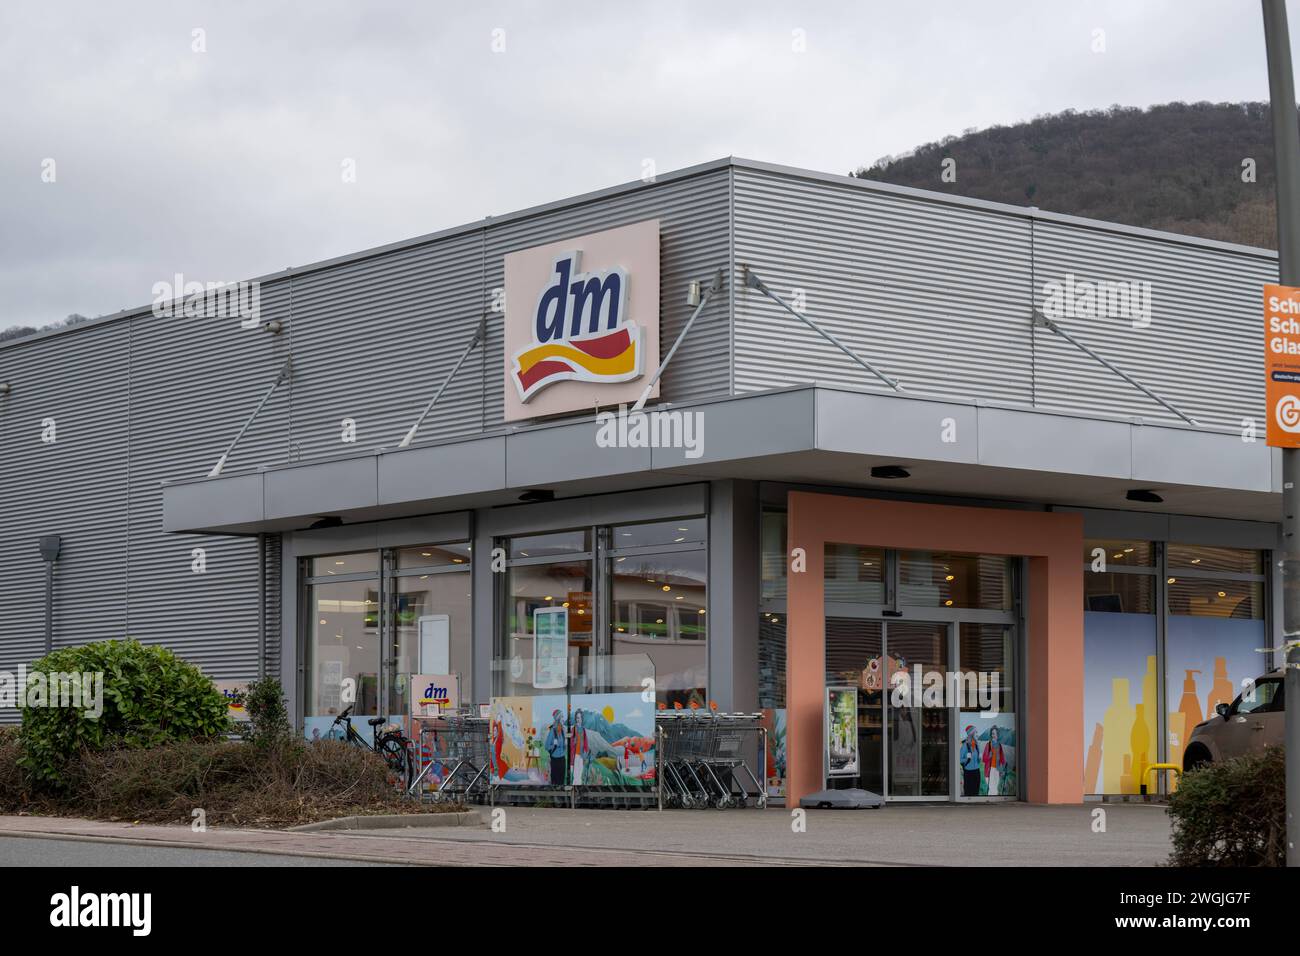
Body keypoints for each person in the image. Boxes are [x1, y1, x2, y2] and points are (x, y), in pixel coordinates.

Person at [982, 725, 1007, 796]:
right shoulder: (988, 745)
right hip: (989, 770)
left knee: (995, 788)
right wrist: (989, 756)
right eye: (992, 733)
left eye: (995, 734)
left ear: (998, 735)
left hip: (997, 770)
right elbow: (984, 759)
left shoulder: (999, 746)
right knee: (992, 789)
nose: (994, 735)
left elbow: (1002, 759)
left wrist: (1003, 770)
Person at [544, 708, 567, 787]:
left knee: (561, 782)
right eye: (562, 717)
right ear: (558, 718)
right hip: (555, 760)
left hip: (562, 759)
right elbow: (546, 746)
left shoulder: (563, 731)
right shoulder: (552, 731)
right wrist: (553, 745)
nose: (563, 718)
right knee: (555, 782)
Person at [959, 725, 981, 797]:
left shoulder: (977, 745)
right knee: (969, 793)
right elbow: (959, 759)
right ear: (971, 734)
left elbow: (977, 760)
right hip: (969, 773)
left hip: (977, 771)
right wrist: (966, 759)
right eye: (976, 732)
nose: (977, 734)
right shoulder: (965, 745)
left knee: (976, 792)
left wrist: (979, 758)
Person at [570, 709, 590, 786]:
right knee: (575, 774)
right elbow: (571, 743)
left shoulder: (583, 730)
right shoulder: (573, 729)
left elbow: (586, 743)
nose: (579, 719)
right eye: (577, 718)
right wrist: (573, 742)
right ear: (575, 719)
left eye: (580, 718)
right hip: (575, 755)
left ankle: (579, 789)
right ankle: (575, 789)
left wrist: (586, 753)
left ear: (582, 719)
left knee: (580, 773)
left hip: (581, 755)